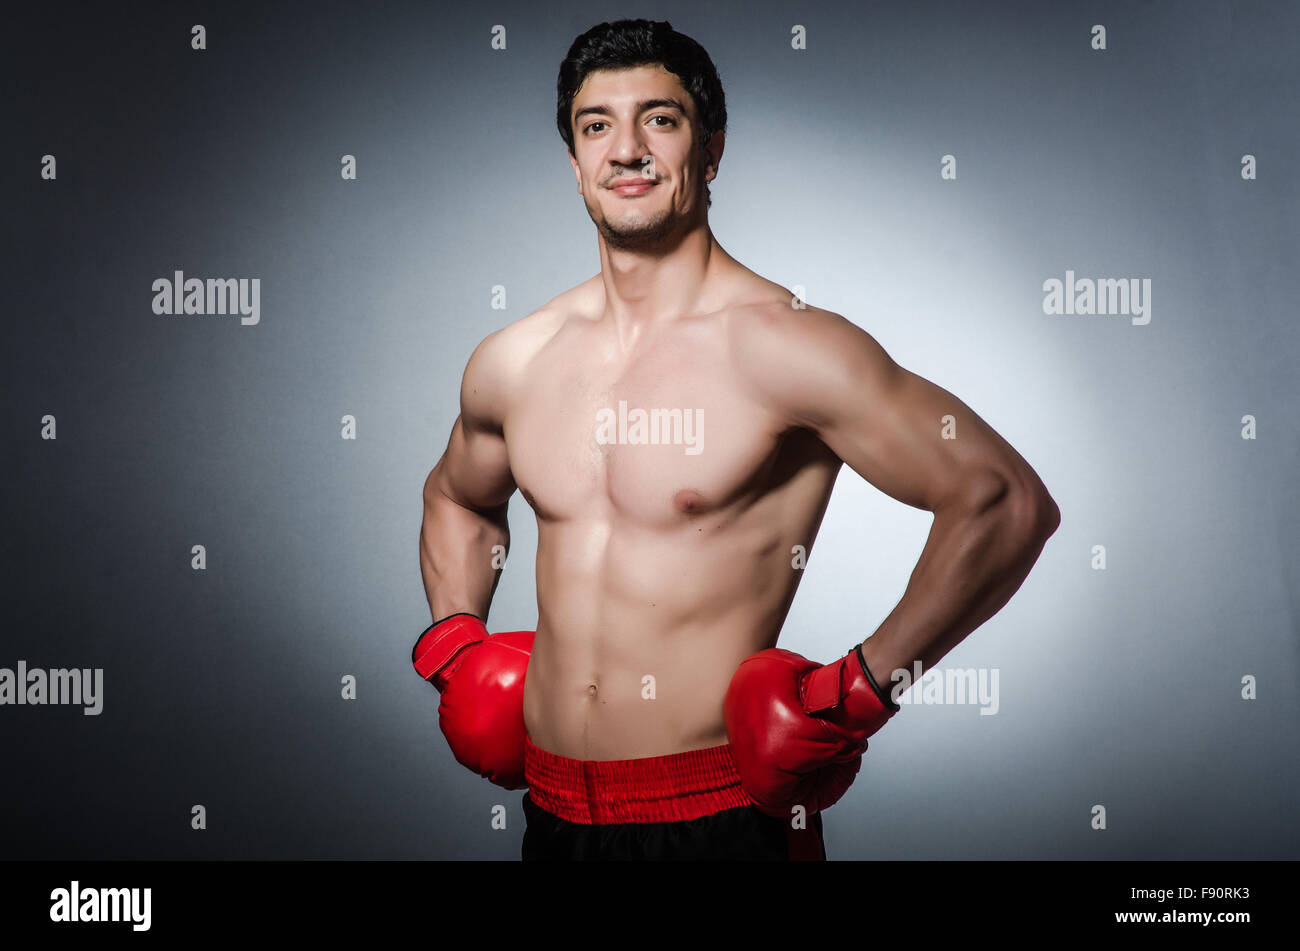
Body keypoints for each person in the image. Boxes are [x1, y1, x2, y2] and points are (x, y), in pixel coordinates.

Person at [412, 18, 1060, 861]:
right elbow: (458, 496)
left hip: (720, 820)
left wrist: (856, 693)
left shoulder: (783, 346)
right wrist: (457, 643)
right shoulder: (517, 360)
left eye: (661, 119)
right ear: (574, 164)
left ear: (710, 151)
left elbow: (1002, 498)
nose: (627, 149)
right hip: (555, 815)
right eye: (596, 125)